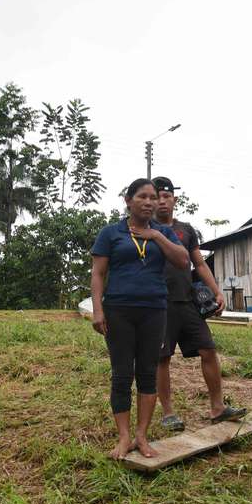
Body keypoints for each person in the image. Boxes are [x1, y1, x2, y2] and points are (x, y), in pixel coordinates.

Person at [91, 178, 189, 460]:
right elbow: (98, 274)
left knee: (148, 373)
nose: (149, 202)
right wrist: (98, 310)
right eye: (142, 197)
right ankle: (123, 438)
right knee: (122, 375)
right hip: (119, 310)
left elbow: (183, 261)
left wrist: (157, 237)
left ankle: (142, 436)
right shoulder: (110, 233)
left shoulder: (163, 232)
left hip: (154, 311)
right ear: (128, 200)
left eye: (153, 197)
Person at [151, 175, 246, 430]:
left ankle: (217, 407)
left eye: (167, 196)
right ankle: (168, 413)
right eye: (157, 197)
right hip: (159, 304)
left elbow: (199, 263)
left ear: (174, 199)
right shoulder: (144, 229)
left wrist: (217, 291)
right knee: (162, 358)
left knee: (208, 350)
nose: (162, 201)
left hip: (188, 303)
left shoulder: (186, 229)